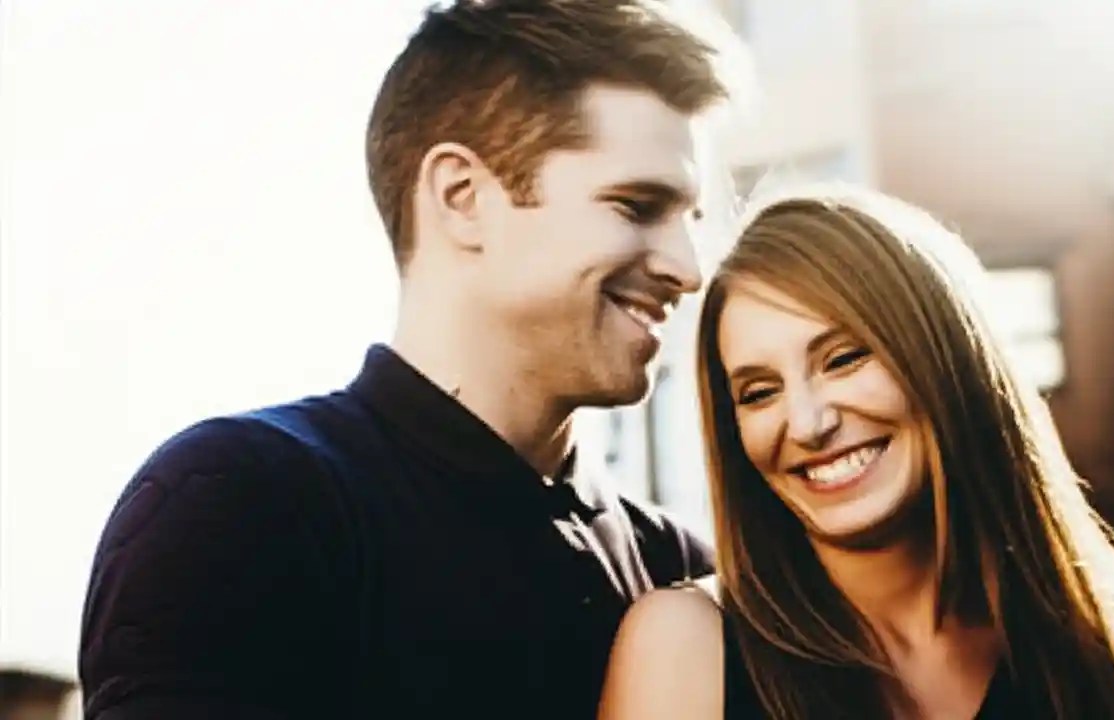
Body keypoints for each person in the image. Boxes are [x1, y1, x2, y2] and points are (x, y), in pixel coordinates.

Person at [78, 1, 742, 717]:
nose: (689, 267)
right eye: (636, 205)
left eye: (693, 220)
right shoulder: (241, 506)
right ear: (462, 197)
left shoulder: (682, 568)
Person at [598, 185, 1114, 719]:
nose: (806, 424)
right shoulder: (685, 650)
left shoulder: (1108, 636)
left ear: (945, 355)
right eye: (759, 392)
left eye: (844, 359)